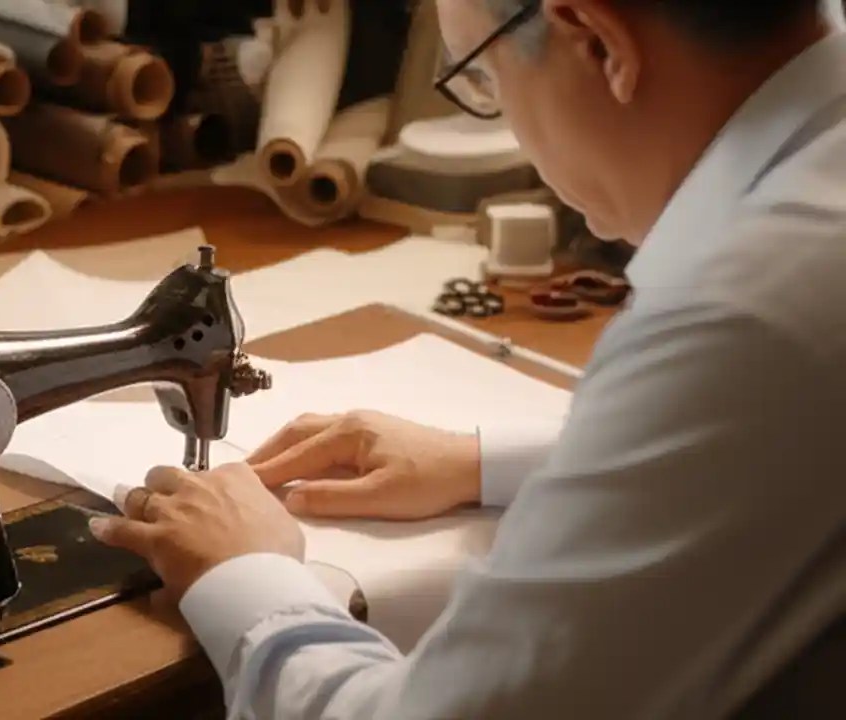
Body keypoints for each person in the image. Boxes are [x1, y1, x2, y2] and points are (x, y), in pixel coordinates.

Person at [88, 0, 846, 717]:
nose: (503, 116)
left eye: (481, 77)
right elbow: (772, 436)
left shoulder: (742, 314)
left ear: (597, 41)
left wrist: (243, 572)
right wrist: (482, 463)